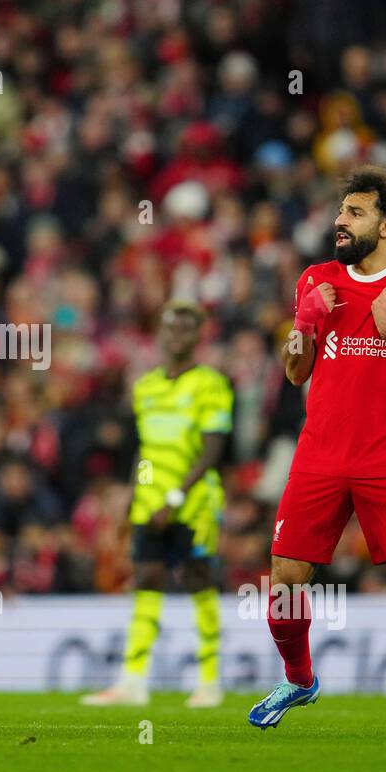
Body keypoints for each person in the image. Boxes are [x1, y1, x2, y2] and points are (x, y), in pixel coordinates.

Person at [248, 166, 386, 733]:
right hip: (319, 454)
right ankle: (298, 679)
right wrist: (305, 323)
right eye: (340, 212)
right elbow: (295, 371)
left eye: (354, 213)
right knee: (285, 578)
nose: (339, 220)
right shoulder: (315, 279)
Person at [81, 300, 232, 707]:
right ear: (161, 333)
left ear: (198, 335)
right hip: (152, 501)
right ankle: (133, 681)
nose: (176, 334)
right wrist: (134, 494)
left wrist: (178, 495)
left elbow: (214, 448)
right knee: (147, 579)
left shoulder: (211, 384)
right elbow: (143, 449)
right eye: (170, 327)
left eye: (185, 328)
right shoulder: (146, 385)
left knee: (198, 580)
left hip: (194, 501)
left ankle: (210, 681)